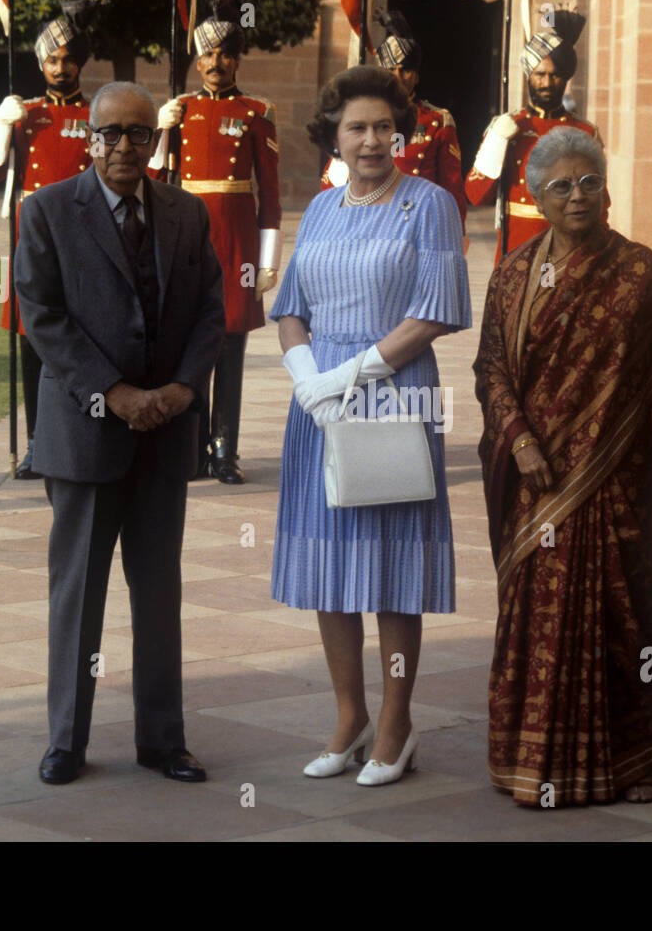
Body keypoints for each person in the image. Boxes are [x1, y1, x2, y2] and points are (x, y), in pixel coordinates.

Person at [473, 126, 652, 807]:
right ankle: (531, 761)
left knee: (622, 613)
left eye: (589, 182)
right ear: (536, 200)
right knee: (535, 617)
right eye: (560, 187)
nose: (577, 196)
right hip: (536, 483)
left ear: (606, 188)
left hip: (614, 475)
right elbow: (491, 369)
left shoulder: (642, 273)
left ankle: (628, 766)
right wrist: (517, 439)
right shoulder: (515, 275)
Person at [12, 82, 226, 786]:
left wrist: (182, 389)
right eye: (110, 134)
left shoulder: (186, 214)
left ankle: (163, 741)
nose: (125, 147)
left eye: (139, 133)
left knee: (158, 590)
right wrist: (114, 392)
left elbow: (209, 312)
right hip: (85, 431)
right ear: (90, 139)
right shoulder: (46, 211)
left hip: (165, 433)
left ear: (156, 141)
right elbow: (42, 316)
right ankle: (66, 741)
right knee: (78, 591)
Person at [269, 65, 471, 786]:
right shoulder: (322, 208)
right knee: (329, 566)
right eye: (357, 127)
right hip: (319, 406)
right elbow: (290, 304)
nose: (372, 139)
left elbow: (437, 309)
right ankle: (348, 715)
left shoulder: (430, 204)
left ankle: (396, 721)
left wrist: (353, 375)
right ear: (336, 134)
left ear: (402, 131)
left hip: (391, 394)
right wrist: (307, 380)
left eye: (384, 125)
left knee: (389, 567)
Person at [149, 0, 282, 484]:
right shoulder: (178, 109)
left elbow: (269, 195)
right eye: (206, 54)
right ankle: (190, 449)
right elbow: (153, 183)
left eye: (225, 54)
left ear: (236, 59)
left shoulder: (255, 111)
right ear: (196, 59)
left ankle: (224, 450)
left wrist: (267, 258)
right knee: (188, 351)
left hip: (237, 247)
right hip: (186, 247)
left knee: (229, 351)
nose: (215, 63)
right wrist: (161, 134)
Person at [0, 7, 95, 479]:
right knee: (32, 347)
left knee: (81, 348)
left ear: (78, 63)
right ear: (40, 65)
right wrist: (0, 124)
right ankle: (35, 444)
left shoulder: (93, 115)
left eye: (66, 60)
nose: (59, 69)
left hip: (82, 244)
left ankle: (82, 437)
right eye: (50, 61)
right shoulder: (25, 113)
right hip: (32, 246)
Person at [465, 10, 598, 260]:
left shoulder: (585, 132)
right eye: (540, 74)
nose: (547, 82)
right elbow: (475, 195)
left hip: (567, 252)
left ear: (566, 78)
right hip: (517, 249)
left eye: (555, 75)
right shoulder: (509, 127)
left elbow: (598, 209)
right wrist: (496, 142)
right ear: (529, 76)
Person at [321, 10, 467, 237]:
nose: (398, 76)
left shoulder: (437, 121)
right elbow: (329, 186)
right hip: (368, 227)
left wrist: (454, 239)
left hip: (418, 228)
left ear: (416, 76)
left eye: (406, 70)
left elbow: (452, 190)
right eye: (391, 69)